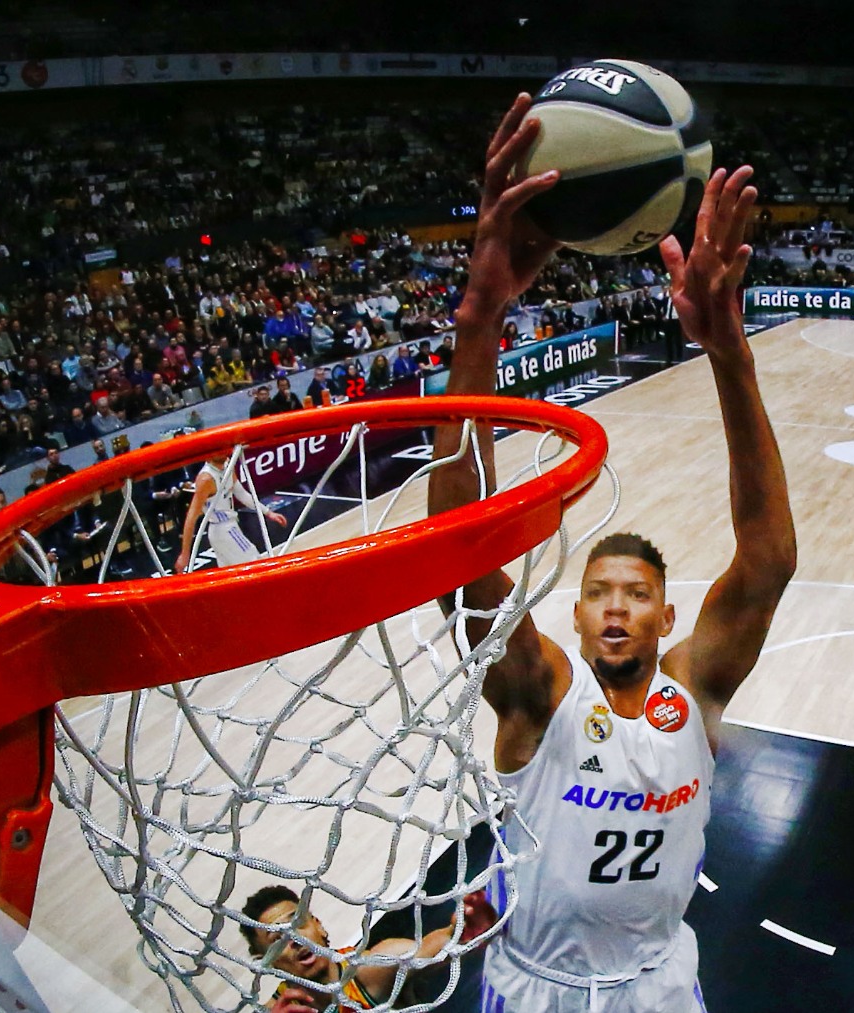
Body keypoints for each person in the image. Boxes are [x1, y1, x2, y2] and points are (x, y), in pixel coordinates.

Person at [428, 96, 796, 1012]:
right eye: (601, 593)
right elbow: (457, 555)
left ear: (668, 617)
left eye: (639, 594)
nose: (620, 606)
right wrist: (479, 319)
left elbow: (767, 563)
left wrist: (730, 354)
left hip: (659, 986)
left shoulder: (693, 694)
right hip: (539, 989)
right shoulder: (537, 695)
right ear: (579, 613)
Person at [239, 885, 496, 1012]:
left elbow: (430, 948)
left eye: (298, 924)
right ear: (266, 963)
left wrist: (465, 933)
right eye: (277, 939)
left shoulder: (367, 971)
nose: (294, 940)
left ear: (319, 926)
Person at [176, 454, 286, 572]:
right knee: (256, 566)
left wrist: (268, 512)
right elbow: (191, 517)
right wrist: (185, 554)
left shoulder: (228, 464)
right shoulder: (206, 479)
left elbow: (241, 493)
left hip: (229, 526)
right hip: (222, 529)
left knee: (231, 576)